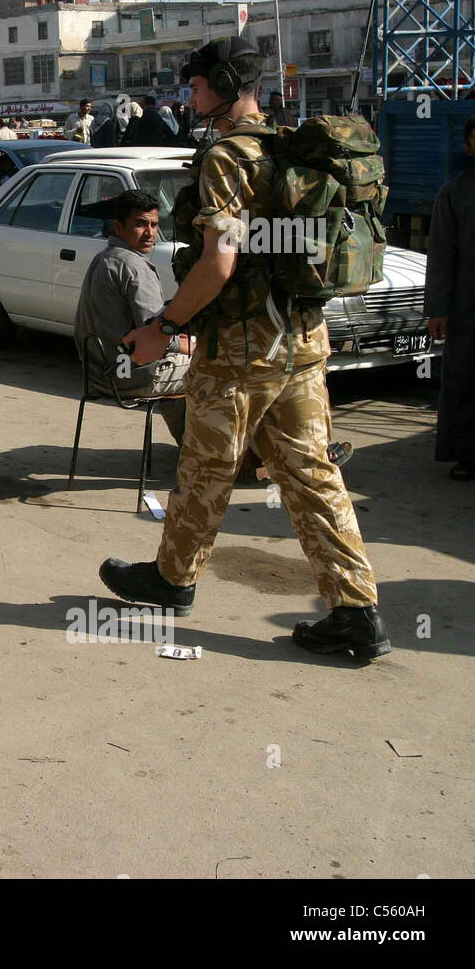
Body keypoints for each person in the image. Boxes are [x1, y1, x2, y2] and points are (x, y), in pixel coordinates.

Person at [101, 35, 390, 660]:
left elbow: (219, 261)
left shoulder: (228, 157)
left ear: (228, 84)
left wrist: (165, 327)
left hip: (241, 350)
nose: (191, 96)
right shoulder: (285, 146)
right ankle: (356, 610)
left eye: (200, 85)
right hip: (302, 343)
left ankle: (172, 581)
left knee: (206, 466)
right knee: (312, 474)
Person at [74, 189, 192, 444]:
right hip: (127, 377)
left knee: (184, 363)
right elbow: (155, 337)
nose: (149, 233)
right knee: (216, 369)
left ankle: (192, 445)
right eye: (140, 224)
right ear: (119, 227)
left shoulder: (104, 258)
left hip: (96, 374)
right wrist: (191, 345)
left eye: (154, 225)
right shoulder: (133, 266)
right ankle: (209, 455)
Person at [425, 115, 475, 480]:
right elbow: (441, 254)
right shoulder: (455, 193)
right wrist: (438, 309)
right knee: (463, 379)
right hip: (467, 304)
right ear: (469, 147)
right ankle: (467, 455)